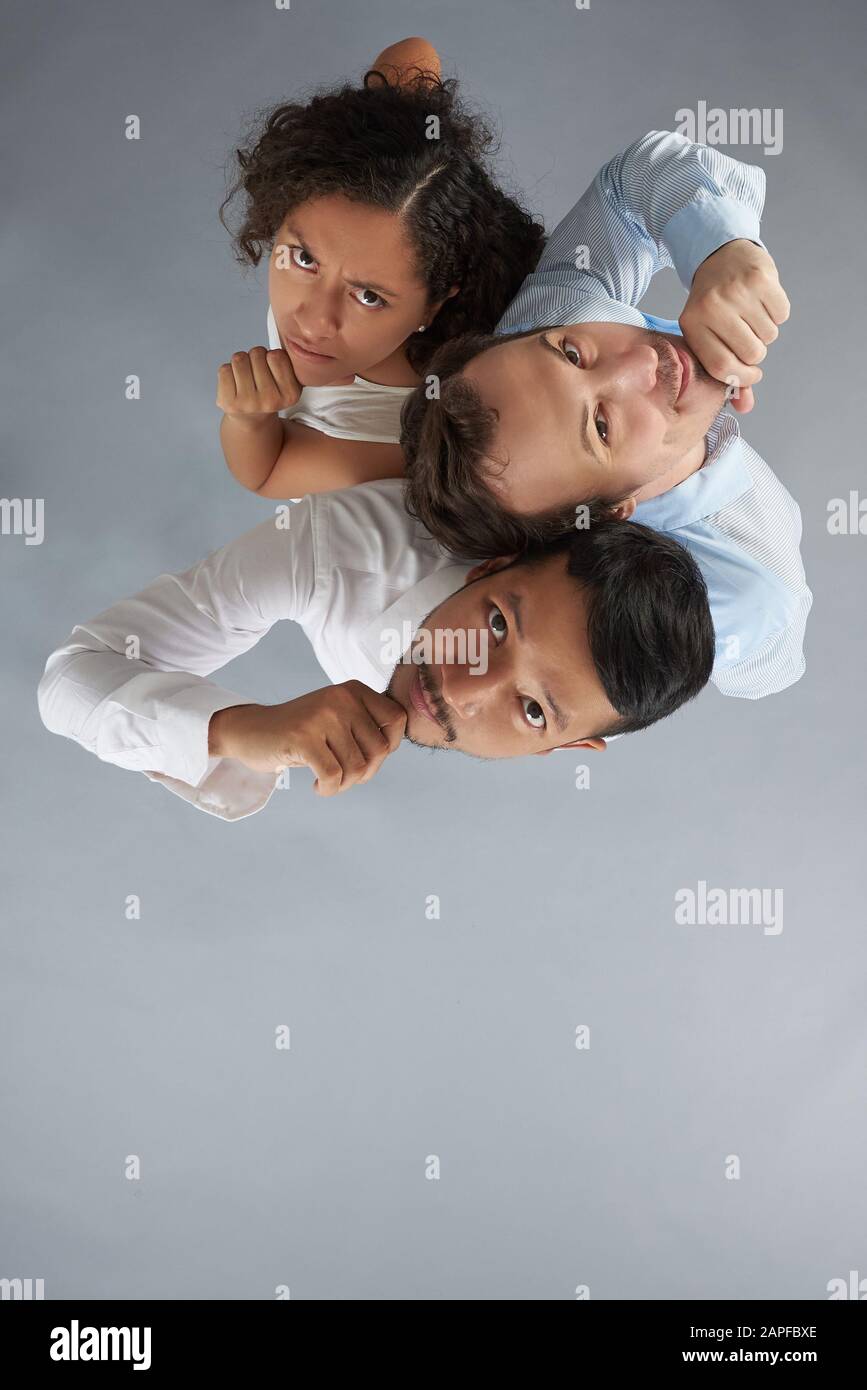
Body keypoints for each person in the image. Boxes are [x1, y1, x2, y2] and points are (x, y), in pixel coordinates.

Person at [400, 130, 812, 701]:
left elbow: (632, 180)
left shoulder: (548, 325)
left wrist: (722, 248)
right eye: (601, 426)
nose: (643, 360)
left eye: (572, 354)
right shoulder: (748, 595)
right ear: (615, 512)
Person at [37, 480, 714, 820]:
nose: (463, 686)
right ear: (487, 567)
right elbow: (71, 680)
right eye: (498, 626)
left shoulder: (631, 687)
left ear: (564, 749)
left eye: (532, 711)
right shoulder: (340, 549)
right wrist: (243, 728)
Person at [217, 38, 545, 498]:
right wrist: (402, 136)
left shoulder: (410, 438)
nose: (313, 320)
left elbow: (267, 471)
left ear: (434, 303)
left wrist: (248, 419)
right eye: (305, 259)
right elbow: (415, 50)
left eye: (368, 296)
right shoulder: (355, 209)